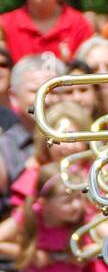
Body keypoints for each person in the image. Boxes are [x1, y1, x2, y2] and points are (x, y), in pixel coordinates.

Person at [0, 54, 67, 201]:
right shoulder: (3, 147)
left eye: (53, 91)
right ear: (13, 95)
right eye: (36, 92)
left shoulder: (79, 139)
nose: (46, 100)